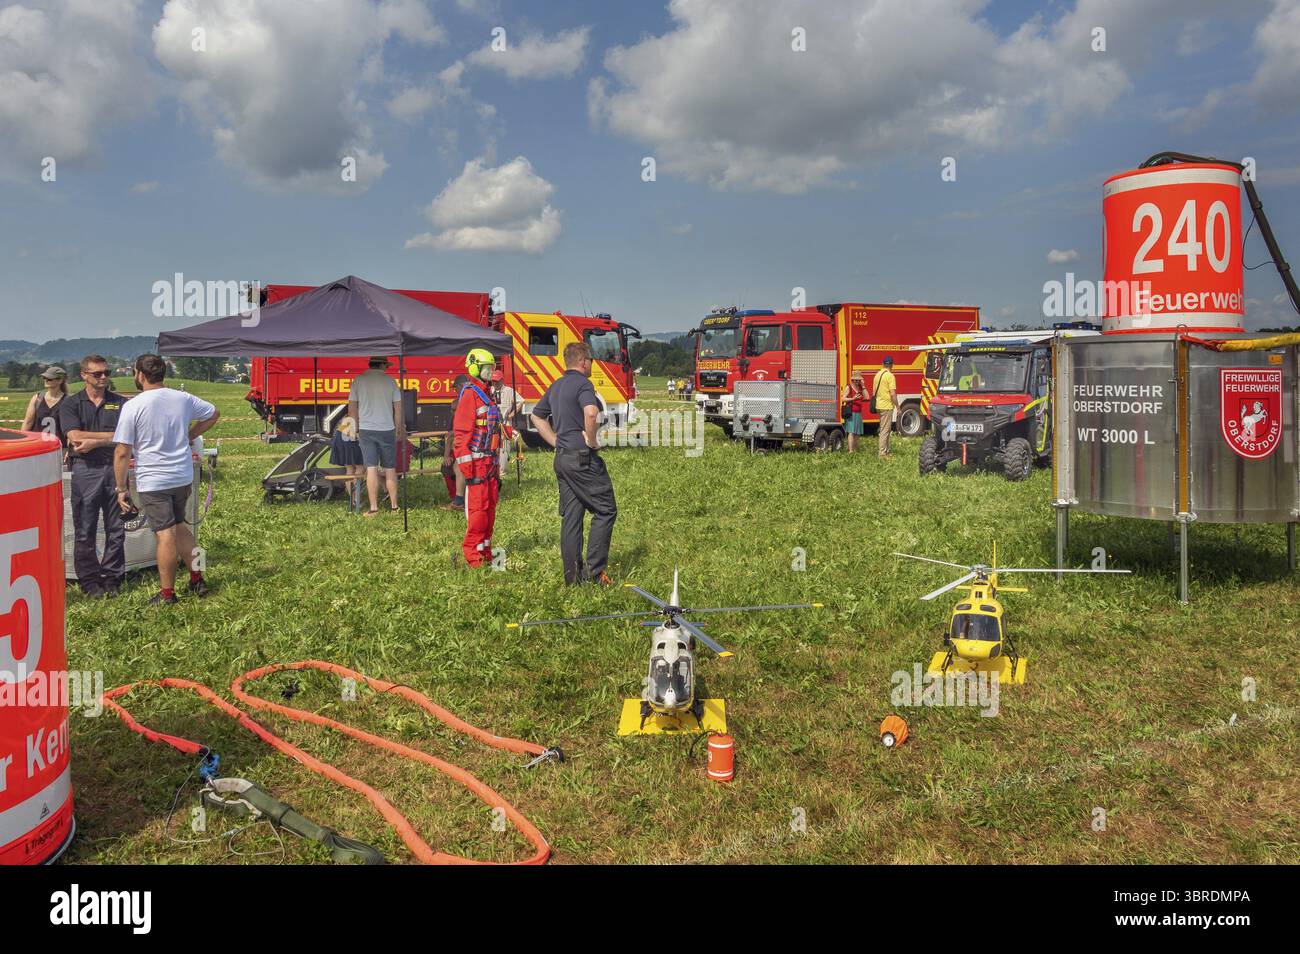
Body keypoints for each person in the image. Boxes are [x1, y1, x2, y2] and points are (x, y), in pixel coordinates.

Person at [112, 354, 220, 605]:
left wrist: (121, 488)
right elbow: (213, 413)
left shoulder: (133, 406)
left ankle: (167, 594)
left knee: (165, 534)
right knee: (181, 526)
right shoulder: (182, 398)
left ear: (139, 374)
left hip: (153, 480)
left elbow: (121, 451)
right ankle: (197, 578)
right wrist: (191, 435)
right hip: (182, 475)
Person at [530, 342, 617, 585]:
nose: (592, 363)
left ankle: (572, 578)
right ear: (582, 361)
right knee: (606, 509)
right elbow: (591, 412)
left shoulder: (556, 385)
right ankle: (595, 573)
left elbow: (536, 416)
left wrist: (555, 440)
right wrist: (591, 440)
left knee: (572, 517)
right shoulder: (583, 384)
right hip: (581, 458)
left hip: (562, 458)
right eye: (591, 359)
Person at [60, 355, 128, 596]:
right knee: (85, 527)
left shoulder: (120, 403)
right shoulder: (71, 404)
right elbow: (75, 437)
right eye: (97, 374)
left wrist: (93, 440)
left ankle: (112, 578)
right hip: (85, 470)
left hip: (115, 469)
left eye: (106, 373)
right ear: (84, 375)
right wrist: (108, 438)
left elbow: (127, 437)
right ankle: (89, 580)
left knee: (116, 527)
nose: (103, 378)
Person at [452, 349, 502, 567]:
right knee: (478, 513)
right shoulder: (470, 394)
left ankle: (487, 554)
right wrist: (468, 471)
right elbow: (461, 436)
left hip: (490, 463)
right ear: (475, 368)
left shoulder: (487, 393)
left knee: (490, 512)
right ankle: (473, 557)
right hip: (478, 465)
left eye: (492, 368)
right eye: (487, 368)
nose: (491, 372)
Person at [347, 356, 405, 516]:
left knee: (371, 468)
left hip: (366, 429)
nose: (387, 368)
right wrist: (398, 429)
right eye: (386, 365)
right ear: (381, 365)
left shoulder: (358, 380)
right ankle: (394, 507)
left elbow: (352, 409)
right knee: (390, 468)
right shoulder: (390, 382)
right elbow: (398, 409)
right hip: (387, 429)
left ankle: (374, 509)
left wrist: (355, 429)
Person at [441, 373, 471, 511]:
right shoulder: (459, 408)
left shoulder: (468, 402)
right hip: (460, 447)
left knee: (458, 468)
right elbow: (449, 438)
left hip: (469, 447)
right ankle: (456, 498)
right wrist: (446, 456)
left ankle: (459, 501)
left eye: (455, 388)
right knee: (447, 467)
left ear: (460, 386)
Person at [22, 366, 69, 446]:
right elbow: (28, 422)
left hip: (58, 449)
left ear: (60, 380)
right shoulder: (37, 398)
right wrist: (22, 442)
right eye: (44, 378)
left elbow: (70, 429)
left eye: (49, 379)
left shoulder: (68, 401)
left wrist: (69, 449)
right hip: (37, 447)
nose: (45, 380)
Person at [872, 356, 900, 458]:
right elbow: (893, 394)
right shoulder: (890, 376)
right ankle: (882, 453)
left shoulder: (877, 375)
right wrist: (898, 407)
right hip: (886, 406)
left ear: (883, 364)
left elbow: (874, 392)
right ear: (892, 365)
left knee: (886, 429)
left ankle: (887, 451)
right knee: (885, 430)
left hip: (879, 405)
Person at [329, 413, 364, 485]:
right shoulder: (364, 412)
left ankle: (352, 495)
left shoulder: (354, 410)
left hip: (340, 435)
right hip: (350, 437)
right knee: (360, 466)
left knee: (350, 468)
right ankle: (356, 493)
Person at [841, 372, 867, 453]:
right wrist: (853, 398)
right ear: (852, 379)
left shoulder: (860, 388)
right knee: (851, 432)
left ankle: (855, 450)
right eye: (855, 380)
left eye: (858, 380)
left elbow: (867, 397)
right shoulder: (848, 387)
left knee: (857, 433)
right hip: (851, 413)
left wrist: (863, 386)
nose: (857, 382)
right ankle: (851, 451)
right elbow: (843, 399)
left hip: (858, 413)